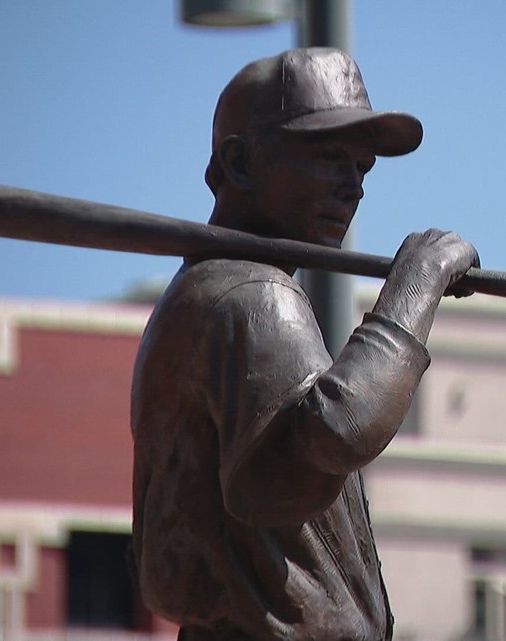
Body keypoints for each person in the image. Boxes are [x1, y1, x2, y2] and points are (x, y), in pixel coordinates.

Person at [130, 48, 479, 641]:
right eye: (329, 158)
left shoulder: (202, 291)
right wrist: (418, 281)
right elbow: (338, 428)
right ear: (239, 162)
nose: (353, 188)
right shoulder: (250, 294)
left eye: (362, 168)